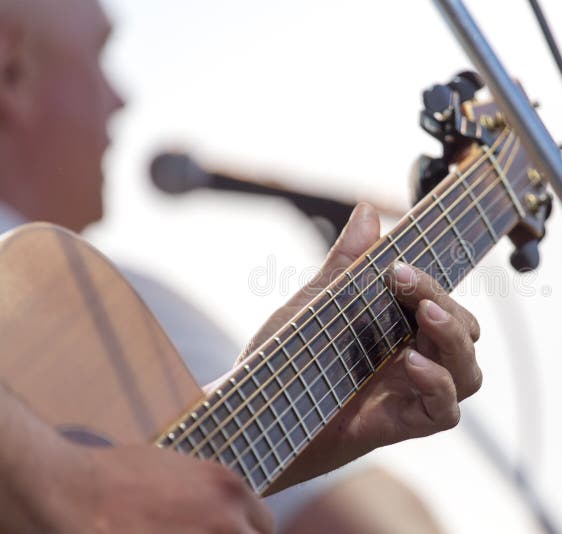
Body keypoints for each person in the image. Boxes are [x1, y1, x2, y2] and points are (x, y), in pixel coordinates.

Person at [0, 0, 481, 532]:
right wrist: (76, 494)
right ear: (10, 71)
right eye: (97, 53)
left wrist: (292, 416)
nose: (120, 99)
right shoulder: (71, 302)